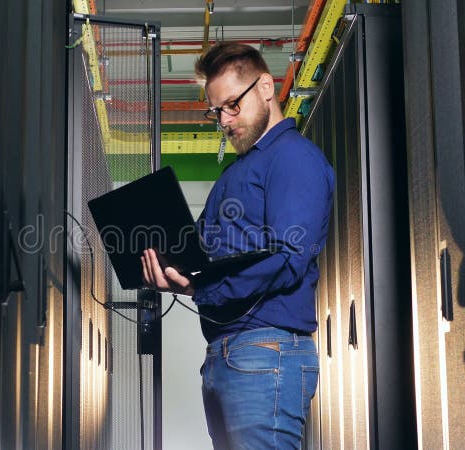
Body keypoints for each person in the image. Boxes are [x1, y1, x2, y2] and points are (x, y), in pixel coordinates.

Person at [141, 42, 334, 449]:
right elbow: (205, 253)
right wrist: (174, 268)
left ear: (266, 87)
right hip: (229, 355)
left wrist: (203, 288)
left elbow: (286, 260)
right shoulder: (237, 172)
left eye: (232, 105)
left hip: (266, 353)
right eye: (216, 112)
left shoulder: (292, 158)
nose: (225, 121)